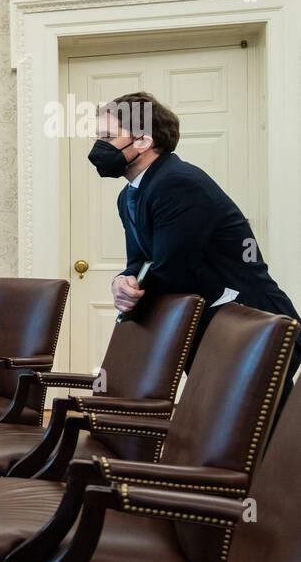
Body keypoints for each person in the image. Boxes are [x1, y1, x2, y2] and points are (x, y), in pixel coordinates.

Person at [93, 90, 300, 405]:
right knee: (223, 437)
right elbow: (139, 262)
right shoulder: (129, 195)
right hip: (208, 326)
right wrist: (121, 282)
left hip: (252, 325)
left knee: (259, 438)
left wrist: (132, 301)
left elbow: (174, 271)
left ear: (143, 141)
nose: (99, 146)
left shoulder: (178, 182)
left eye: (108, 136)